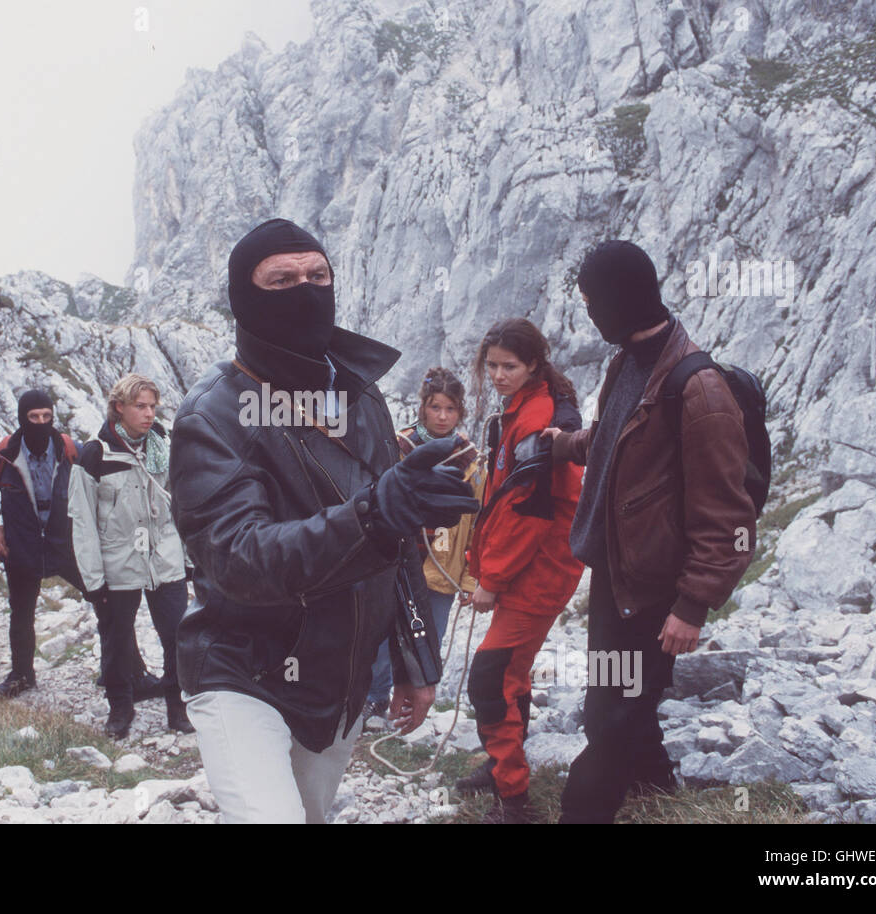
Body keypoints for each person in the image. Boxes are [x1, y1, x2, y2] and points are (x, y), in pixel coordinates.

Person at [168, 218, 478, 824]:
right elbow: (238, 558)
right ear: (244, 299)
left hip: (339, 677)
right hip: (243, 668)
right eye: (281, 280)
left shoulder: (359, 397)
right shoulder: (212, 416)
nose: (306, 291)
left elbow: (401, 540)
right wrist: (371, 514)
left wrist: (416, 659)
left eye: (318, 276)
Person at [542, 240, 756, 824]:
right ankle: (655, 782)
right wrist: (562, 446)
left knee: (611, 712)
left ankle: (583, 813)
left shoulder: (698, 388)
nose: (588, 314)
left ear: (619, 298)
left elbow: (727, 515)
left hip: (656, 586)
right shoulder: (627, 362)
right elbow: (615, 442)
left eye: (591, 302)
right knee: (622, 698)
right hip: (618, 569)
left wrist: (692, 605)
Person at [451, 319, 585, 823]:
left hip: (540, 570)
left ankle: (514, 801)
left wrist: (491, 579)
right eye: (492, 366)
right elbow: (505, 499)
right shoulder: (526, 409)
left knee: (490, 677)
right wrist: (482, 566)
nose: (499, 375)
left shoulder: (537, 418)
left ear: (533, 365)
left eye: (509, 366)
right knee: (510, 671)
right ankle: (502, 767)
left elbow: (527, 513)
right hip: (534, 567)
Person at [69, 374, 193, 738]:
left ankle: (177, 706)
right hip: (117, 563)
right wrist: (92, 579)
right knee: (117, 638)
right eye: (140, 406)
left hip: (164, 560)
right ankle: (120, 709)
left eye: (153, 406)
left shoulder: (162, 446)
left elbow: (180, 505)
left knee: (175, 635)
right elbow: (82, 520)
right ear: (119, 407)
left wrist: (186, 558)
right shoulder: (95, 454)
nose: (149, 414)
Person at [363, 367, 485, 724]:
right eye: (435, 408)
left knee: (429, 634)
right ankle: (375, 697)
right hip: (400, 558)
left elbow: (475, 521)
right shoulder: (399, 448)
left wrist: (469, 577)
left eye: (450, 409)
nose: (443, 416)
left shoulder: (470, 460)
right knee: (386, 632)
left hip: (444, 564)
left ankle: (412, 701)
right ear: (423, 409)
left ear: (460, 412)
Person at [0, 389, 83, 699]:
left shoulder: (70, 450)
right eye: (33, 417)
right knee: (21, 614)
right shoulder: (2, 454)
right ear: (21, 419)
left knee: (105, 601)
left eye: (46, 417)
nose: (41, 423)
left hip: (66, 546)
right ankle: (22, 675)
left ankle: (121, 670)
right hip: (21, 547)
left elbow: (100, 487)